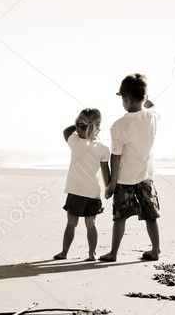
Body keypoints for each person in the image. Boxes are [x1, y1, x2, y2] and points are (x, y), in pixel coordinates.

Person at [99, 74, 161, 262]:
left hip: (124, 179)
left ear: (125, 99)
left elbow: (116, 157)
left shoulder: (119, 126)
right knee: (151, 216)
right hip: (145, 177)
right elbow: (151, 105)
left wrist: (111, 183)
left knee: (120, 217)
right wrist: (145, 97)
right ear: (144, 96)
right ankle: (156, 250)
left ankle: (113, 253)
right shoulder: (152, 117)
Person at [54, 108, 111, 261]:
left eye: (84, 126)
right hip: (84, 192)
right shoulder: (100, 147)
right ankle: (67, 252)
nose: (79, 129)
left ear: (95, 128)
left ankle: (88, 253)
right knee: (73, 223)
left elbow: (106, 170)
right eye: (78, 125)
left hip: (84, 193)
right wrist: (108, 187)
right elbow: (106, 172)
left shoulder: (76, 142)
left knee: (85, 223)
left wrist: (109, 186)